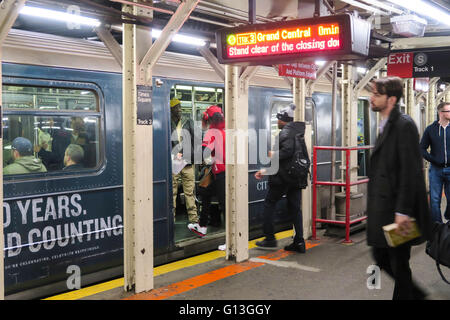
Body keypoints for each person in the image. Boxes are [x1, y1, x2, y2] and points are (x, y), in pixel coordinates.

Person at [367, 77, 432, 300]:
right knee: (385, 257)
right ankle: (415, 294)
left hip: (398, 211)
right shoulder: (386, 124)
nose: (371, 98)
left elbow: (410, 172)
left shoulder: (404, 125)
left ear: (391, 99)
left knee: (395, 261)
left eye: (376, 94)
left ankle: (413, 295)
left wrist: (402, 212)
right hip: (385, 209)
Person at [254, 103, 306, 252]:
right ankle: (299, 242)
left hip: (283, 178)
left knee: (269, 203)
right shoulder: (298, 133)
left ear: (284, 120)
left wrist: (273, 156)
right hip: (296, 177)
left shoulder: (285, 133)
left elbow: (286, 153)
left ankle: (270, 239)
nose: (277, 122)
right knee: (295, 208)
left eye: (278, 119)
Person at [188, 105, 225, 237]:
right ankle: (202, 226)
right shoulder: (224, 130)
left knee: (225, 204)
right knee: (205, 192)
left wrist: (183, 156)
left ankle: (232, 241)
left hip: (222, 173)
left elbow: (203, 153)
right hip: (218, 172)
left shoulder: (211, 132)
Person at [420, 101, 450, 223]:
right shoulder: (430, 129)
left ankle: (448, 219)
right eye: (448, 111)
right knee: (434, 200)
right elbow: (421, 148)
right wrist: (433, 160)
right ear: (440, 113)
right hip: (435, 170)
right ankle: (437, 229)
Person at [170, 98, 199, 225]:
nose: (180, 110)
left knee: (189, 192)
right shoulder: (168, 122)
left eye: (180, 107)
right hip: (174, 163)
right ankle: (172, 219)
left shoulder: (188, 121)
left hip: (187, 161)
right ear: (171, 110)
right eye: (177, 107)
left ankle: (194, 219)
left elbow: (197, 138)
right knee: (172, 193)